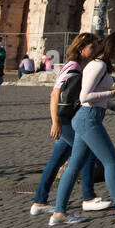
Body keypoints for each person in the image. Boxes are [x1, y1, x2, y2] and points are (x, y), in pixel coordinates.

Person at [49, 30, 115, 226]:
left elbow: (97, 95)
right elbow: (85, 97)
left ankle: (59, 213)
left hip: (89, 117)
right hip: (88, 119)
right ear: (114, 46)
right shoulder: (98, 65)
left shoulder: (98, 64)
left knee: (74, 166)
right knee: (111, 161)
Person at [30, 33, 108, 216]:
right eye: (93, 46)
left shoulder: (81, 67)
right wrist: (55, 122)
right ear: (82, 49)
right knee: (87, 153)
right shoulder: (73, 67)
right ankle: (88, 198)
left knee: (56, 160)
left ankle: (39, 202)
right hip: (65, 121)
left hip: (68, 120)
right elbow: (55, 94)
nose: (96, 49)